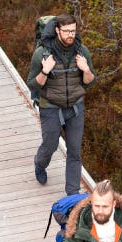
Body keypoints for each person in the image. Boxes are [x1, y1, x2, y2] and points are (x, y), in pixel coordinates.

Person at [27, 14, 96, 196]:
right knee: (50, 146)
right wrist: (45, 71)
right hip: (50, 107)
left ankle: (72, 194)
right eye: (66, 31)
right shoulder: (42, 54)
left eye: (73, 31)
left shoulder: (82, 52)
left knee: (74, 152)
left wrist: (86, 69)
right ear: (57, 30)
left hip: (75, 108)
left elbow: (90, 82)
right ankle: (40, 163)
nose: (70, 35)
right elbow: (32, 85)